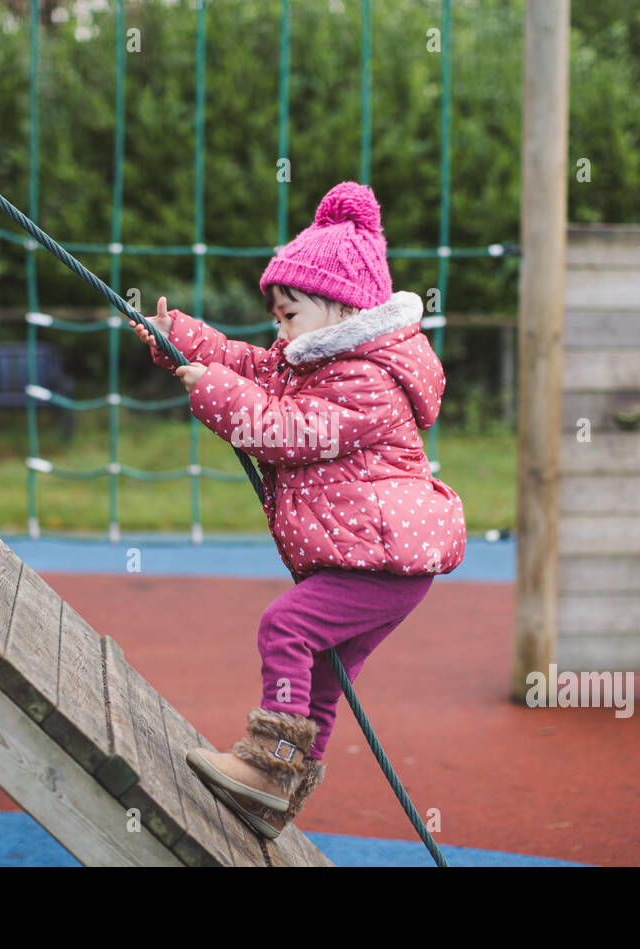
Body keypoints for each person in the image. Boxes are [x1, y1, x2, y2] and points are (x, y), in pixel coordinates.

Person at [127, 180, 467, 838]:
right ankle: (276, 792)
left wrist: (216, 394)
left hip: (381, 562)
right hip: (374, 561)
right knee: (318, 684)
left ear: (339, 308)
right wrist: (183, 339)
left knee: (287, 629)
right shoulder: (316, 358)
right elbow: (254, 367)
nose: (278, 329)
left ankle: (269, 769)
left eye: (288, 314)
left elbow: (289, 431)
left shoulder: (367, 381)